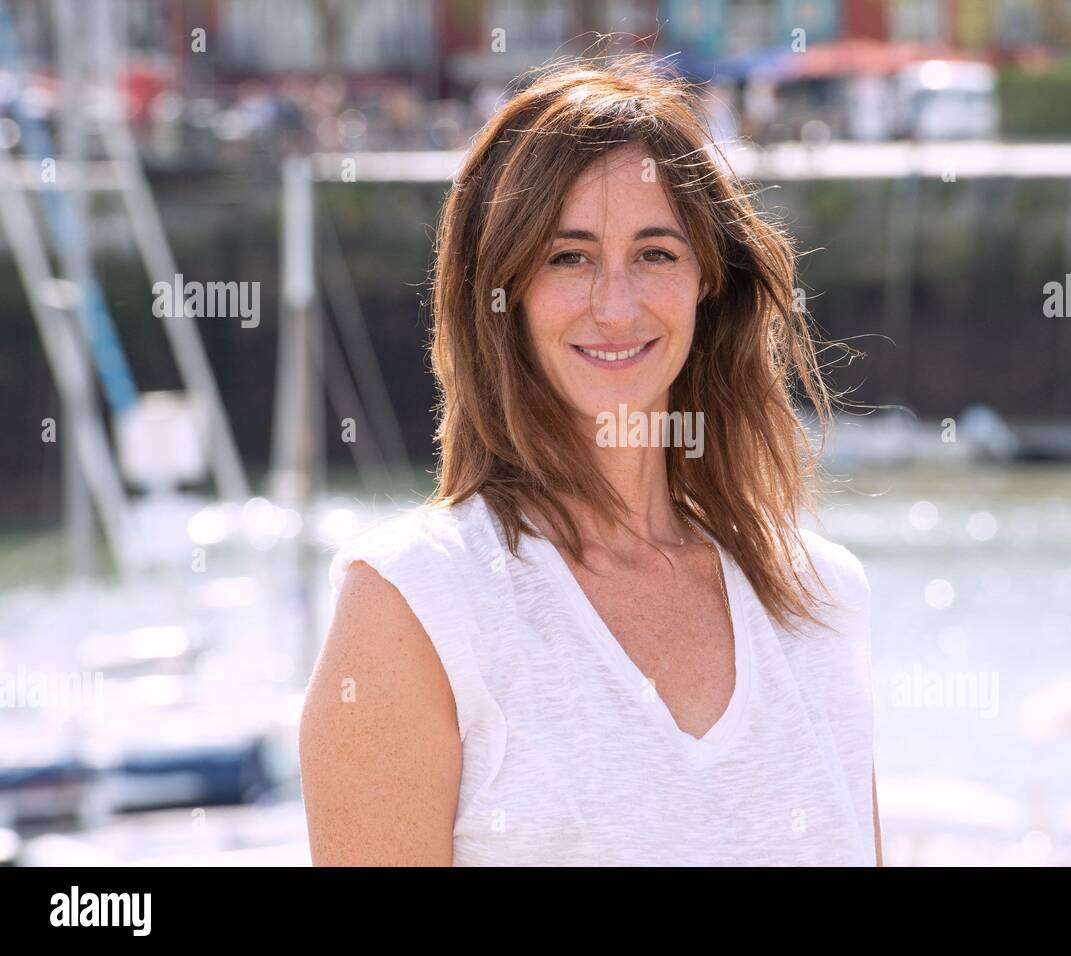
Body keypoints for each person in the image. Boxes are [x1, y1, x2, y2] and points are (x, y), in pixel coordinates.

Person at [299, 53, 881, 866]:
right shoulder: (415, 606)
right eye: (567, 257)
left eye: (656, 254)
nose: (615, 305)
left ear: (711, 286)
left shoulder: (820, 598)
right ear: (502, 295)